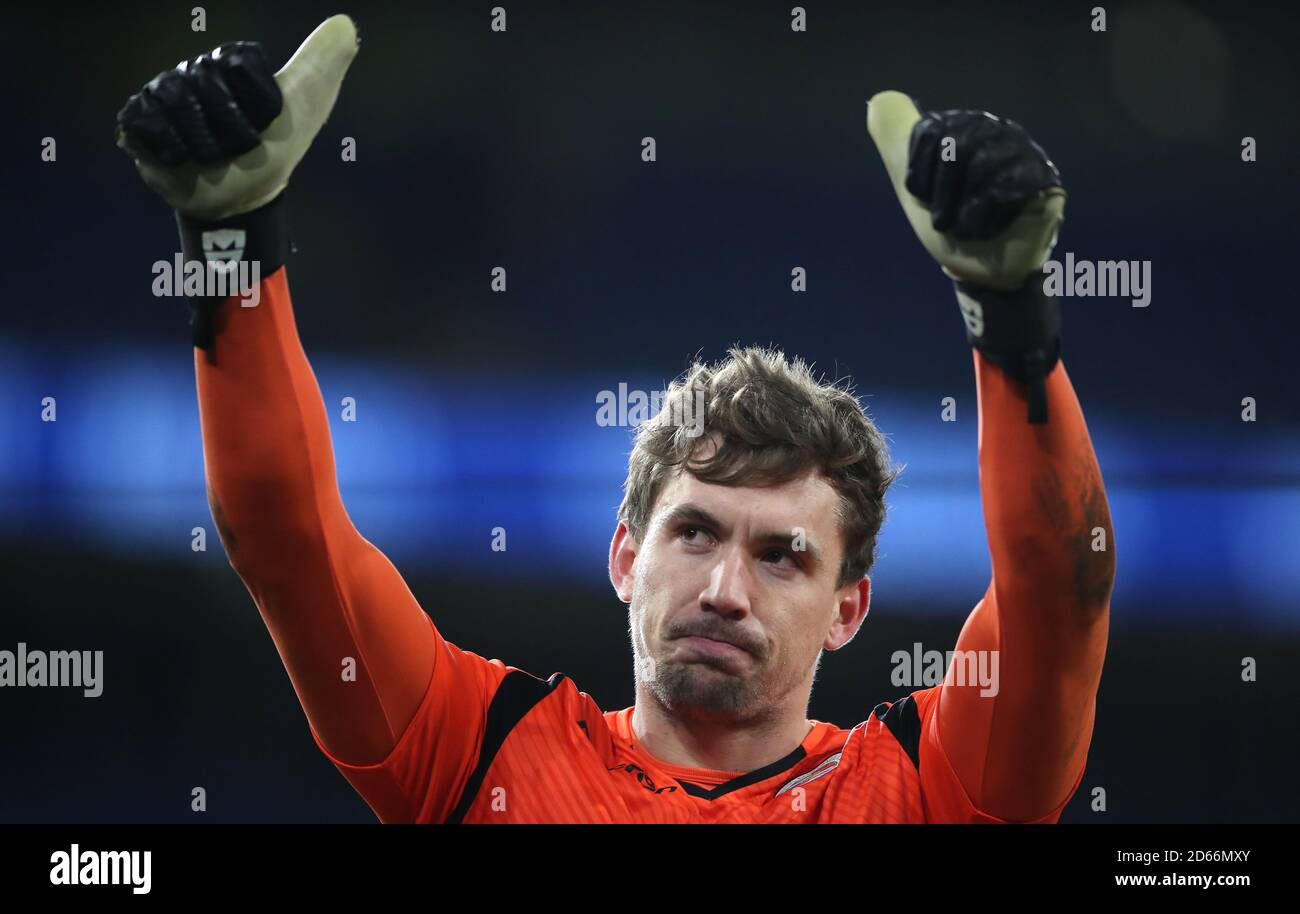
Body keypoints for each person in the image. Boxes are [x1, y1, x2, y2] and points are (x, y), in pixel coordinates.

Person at [115, 15, 1113, 823]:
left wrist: (1007, 309)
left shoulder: (928, 792)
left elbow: (1059, 590)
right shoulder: (481, 750)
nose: (724, 588)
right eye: (693, 530)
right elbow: (288, 543)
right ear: (625, 554)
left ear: (848, 608)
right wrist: (230, 239)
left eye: (782, 556)